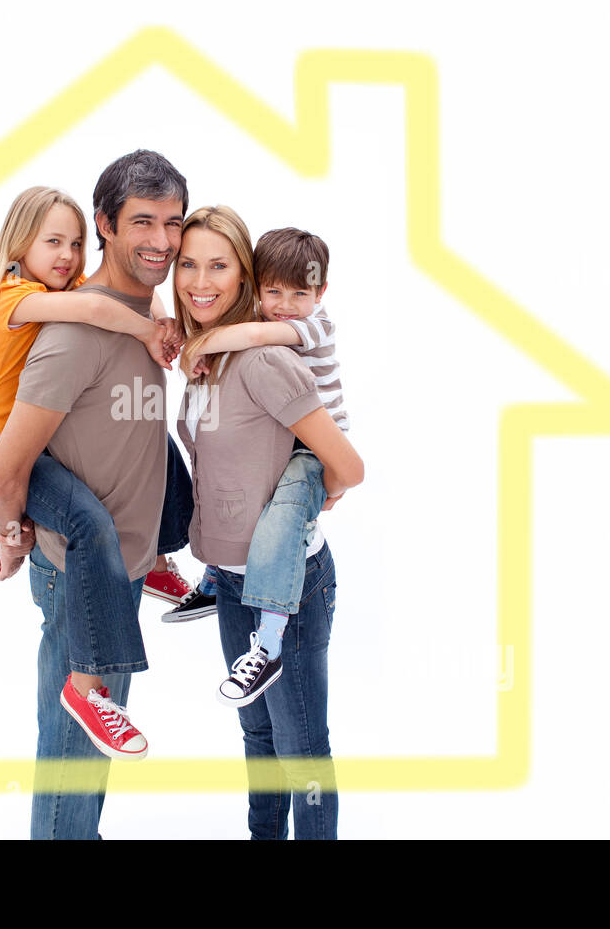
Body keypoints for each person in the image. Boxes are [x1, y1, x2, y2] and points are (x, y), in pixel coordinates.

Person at [0, 150, 188, 839]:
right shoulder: (75, 329)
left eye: (174, 222)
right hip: (81, 569)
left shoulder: (145, 307)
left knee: (91, 760)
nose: (162, 240)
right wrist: (13, 542)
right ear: (105, 224)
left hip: (122, 565)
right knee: (74, 763)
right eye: (142, 222)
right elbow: (7, 469)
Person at [173, 205, 364, 840]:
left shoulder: (263, 353)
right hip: (232, 580)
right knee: (257, 728)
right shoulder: (209, 361)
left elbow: (347, 465)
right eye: (188, 265)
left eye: (219, 266)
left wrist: (319, 492)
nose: (202, 280)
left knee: (301, 746)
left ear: (240, 277)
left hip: (291, 583)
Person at [173, 227, 349, 707]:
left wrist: (200, 343)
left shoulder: (311, 326)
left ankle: (269, 642)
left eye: (300, 293)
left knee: (279, 521)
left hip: (312, 449)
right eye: (273, 291)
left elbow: (253, 332)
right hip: (289, 441)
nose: (285, 305)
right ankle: (213, 577)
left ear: (321, 293)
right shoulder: (250, 336)